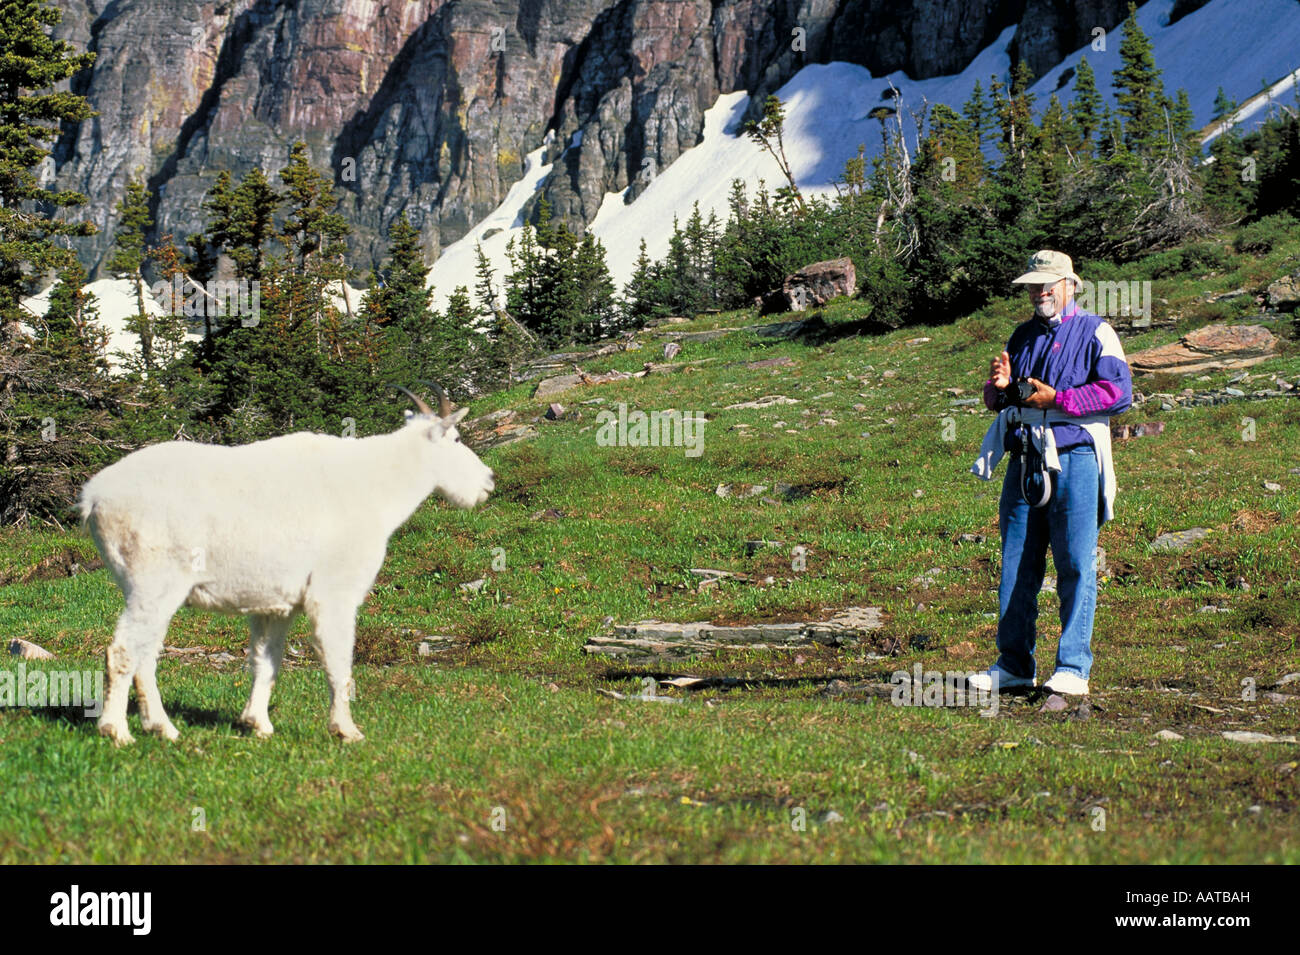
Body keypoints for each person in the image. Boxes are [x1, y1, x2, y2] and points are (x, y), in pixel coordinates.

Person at [968, 251, 1133, 696]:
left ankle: (1073, 667)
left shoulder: (1097, 331)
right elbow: (1002, 401)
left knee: (1075, 561)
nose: (1040, 291)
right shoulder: (1021, 336)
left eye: (1048, 283)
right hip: (1025, 457)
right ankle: (1014, 665)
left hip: (1076, 456)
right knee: (1016, 563)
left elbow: (1119, 393)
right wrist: (999, 389)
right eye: (1033, 285)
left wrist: (1058, 400)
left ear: (1070, 285)